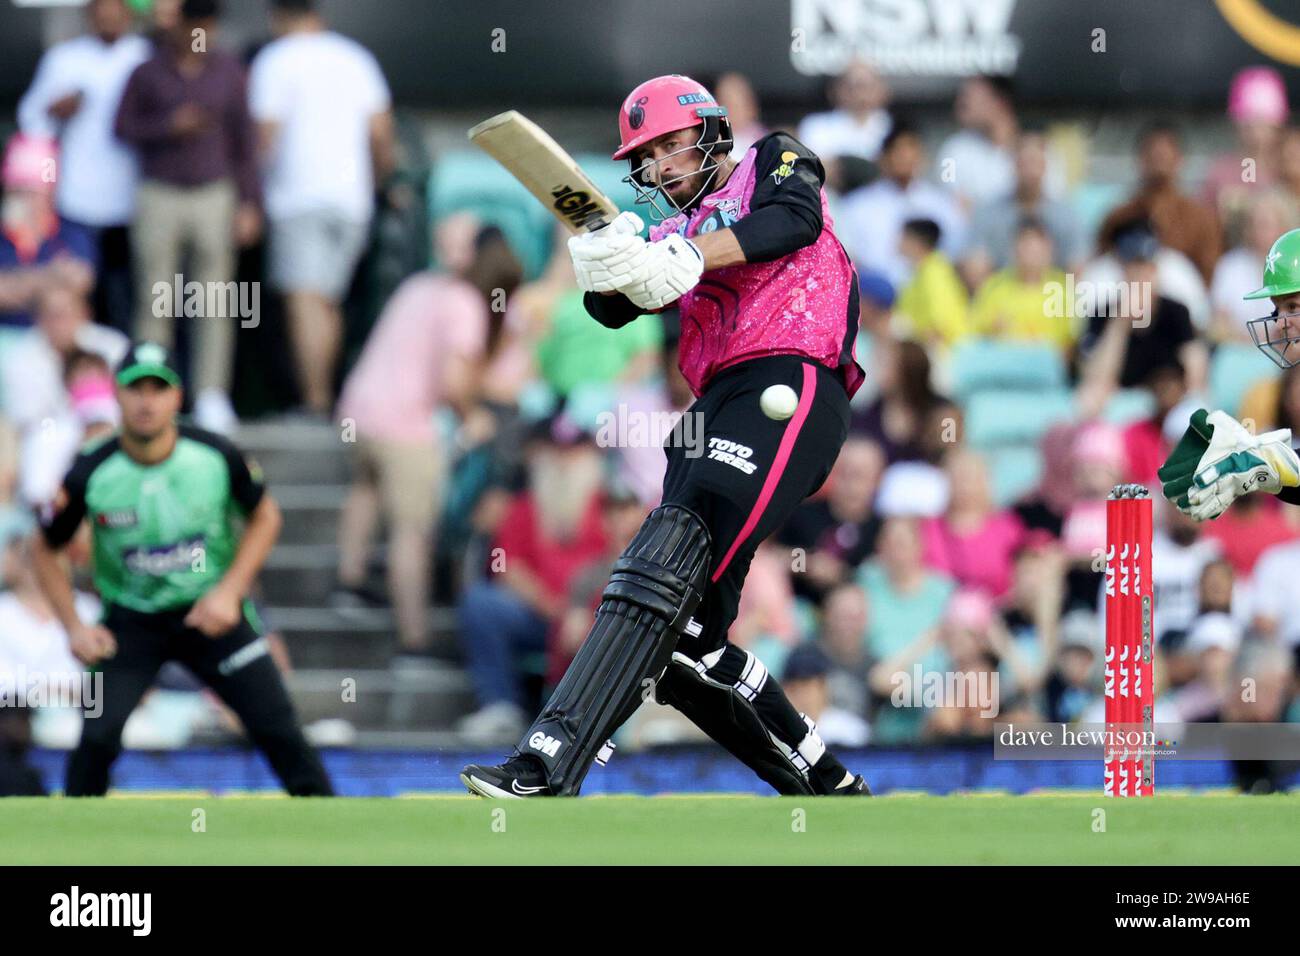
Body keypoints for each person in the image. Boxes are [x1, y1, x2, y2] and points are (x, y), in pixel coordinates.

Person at [462, 74, 869, 798]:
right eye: (645, 159)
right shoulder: (668, 232)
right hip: (712, 405)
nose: (659, 169)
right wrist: (608, 263)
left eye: (669, 147)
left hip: (792, 384)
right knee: (684, 648)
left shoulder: (771, 160)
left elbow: (796, 220)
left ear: (710, 131)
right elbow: (612, 313)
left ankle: (547, 762)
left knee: (660, 565)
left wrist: (685, 254)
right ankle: (830, 792)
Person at [30, 342, 332, 796]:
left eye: (158, 389)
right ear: (117, 395)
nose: (146, 401)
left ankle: (334, 841)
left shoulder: (214, 455)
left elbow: (266, 516)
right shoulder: (90, 471)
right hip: (130, 623)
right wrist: (73, 625)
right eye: (136, 389)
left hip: (210, 615)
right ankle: (70, 853)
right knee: (95, 740)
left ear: (177, 397)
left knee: (279, 731)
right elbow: (43, 547)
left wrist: (230, 592)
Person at [335, 226, 522, 660]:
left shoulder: (419, 285)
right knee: (412, 533)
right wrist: (473, 418)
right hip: (406, 427)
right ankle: (413, 641)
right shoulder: (465, 304)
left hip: (359, 409)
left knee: (365, 489)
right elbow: (454, 382)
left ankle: (350, 581)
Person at [114, 0, 261, 434]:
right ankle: (151, 392)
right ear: (178, 27)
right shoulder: (147, 71)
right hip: (159, 192)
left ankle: (211, 394)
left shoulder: (229, 72)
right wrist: (168, 125)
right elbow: (122, 127)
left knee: (214, 299)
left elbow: (245, 144)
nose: (200, 34)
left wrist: (250, 202)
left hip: (213, 193)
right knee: (156, 296)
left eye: (207, 26)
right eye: (193, 25)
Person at [248, 0, 395, 416]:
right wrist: (377, 185)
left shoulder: (275, 60)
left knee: (304, 299)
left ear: (277, 15)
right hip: (352, 201)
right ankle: (330, 397)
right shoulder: (355, 57)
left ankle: (316, 402)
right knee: (326, 301)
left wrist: (250, 193)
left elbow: (264, 137)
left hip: (299, 197)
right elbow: (382, 134)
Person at [17, 0, 150, 332]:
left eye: (116, 10)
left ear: (128, 13)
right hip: (78, 199)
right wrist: (56, 109)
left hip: (133, 198)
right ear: (89, 14)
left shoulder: (144, 55)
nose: (108, 18)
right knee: (80, 292)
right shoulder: (65, 58)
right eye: (101, 10)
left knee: (130, 299)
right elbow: (30, 119)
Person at [838, 121, 965, 289]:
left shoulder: (941, 204)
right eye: (898, 150)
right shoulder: (856, 206)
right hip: (874, 300)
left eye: (911, 149)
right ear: (883, 157)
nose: (905, 157)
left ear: (922, 155)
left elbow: (955, 254)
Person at [1098, 123, 1220, 286]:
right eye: (1154, 157)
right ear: (1140, 159)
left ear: (1179, 160)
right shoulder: (1119, 217)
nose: (1159, 164)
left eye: (1164, 157)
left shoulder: (1202, 219)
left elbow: (1210, 275)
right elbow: (1104, 270)